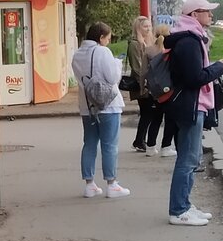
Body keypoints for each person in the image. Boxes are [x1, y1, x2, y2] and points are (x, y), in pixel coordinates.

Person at [163, 0, 223, 226]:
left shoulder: (188, 37)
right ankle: (179, 210)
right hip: (191, 105)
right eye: (207, 11)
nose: (211, 15)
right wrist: (219, 67)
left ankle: (185, 205)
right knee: (188, 159)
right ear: (194, 14)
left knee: (191, 157)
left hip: (189, 104)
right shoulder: (190, 41)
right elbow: (195, 78)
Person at [71, 22, 131, 199]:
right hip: (108, 105)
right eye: (108, 38)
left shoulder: (77, 55)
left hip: (87, 106)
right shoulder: (102, 52)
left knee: (89, 143)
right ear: (101, 37)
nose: (108, 42)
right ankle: (112, 184)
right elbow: (112, 79)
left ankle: (89, 185)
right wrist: (117, 64)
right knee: (109, 144)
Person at [144, 24, 176, 157]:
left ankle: (150, 146)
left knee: (155, 119)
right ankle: (166, 147)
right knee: (170, 119)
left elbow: (145, 70)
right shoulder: (170, 51)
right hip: (169, 89)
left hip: (155, 91)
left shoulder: (149, 50)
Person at [126, 15, 155, 152]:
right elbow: (136, 67)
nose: (148, 29)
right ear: (138, 28)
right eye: (145, 26)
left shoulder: (148, 42)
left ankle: (140, 140)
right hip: (141, 84)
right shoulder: (134, 44)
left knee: (147, 113)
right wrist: (145, 82)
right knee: (147, 112)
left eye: (149, 26)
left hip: (149, 83)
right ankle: (139, 141)